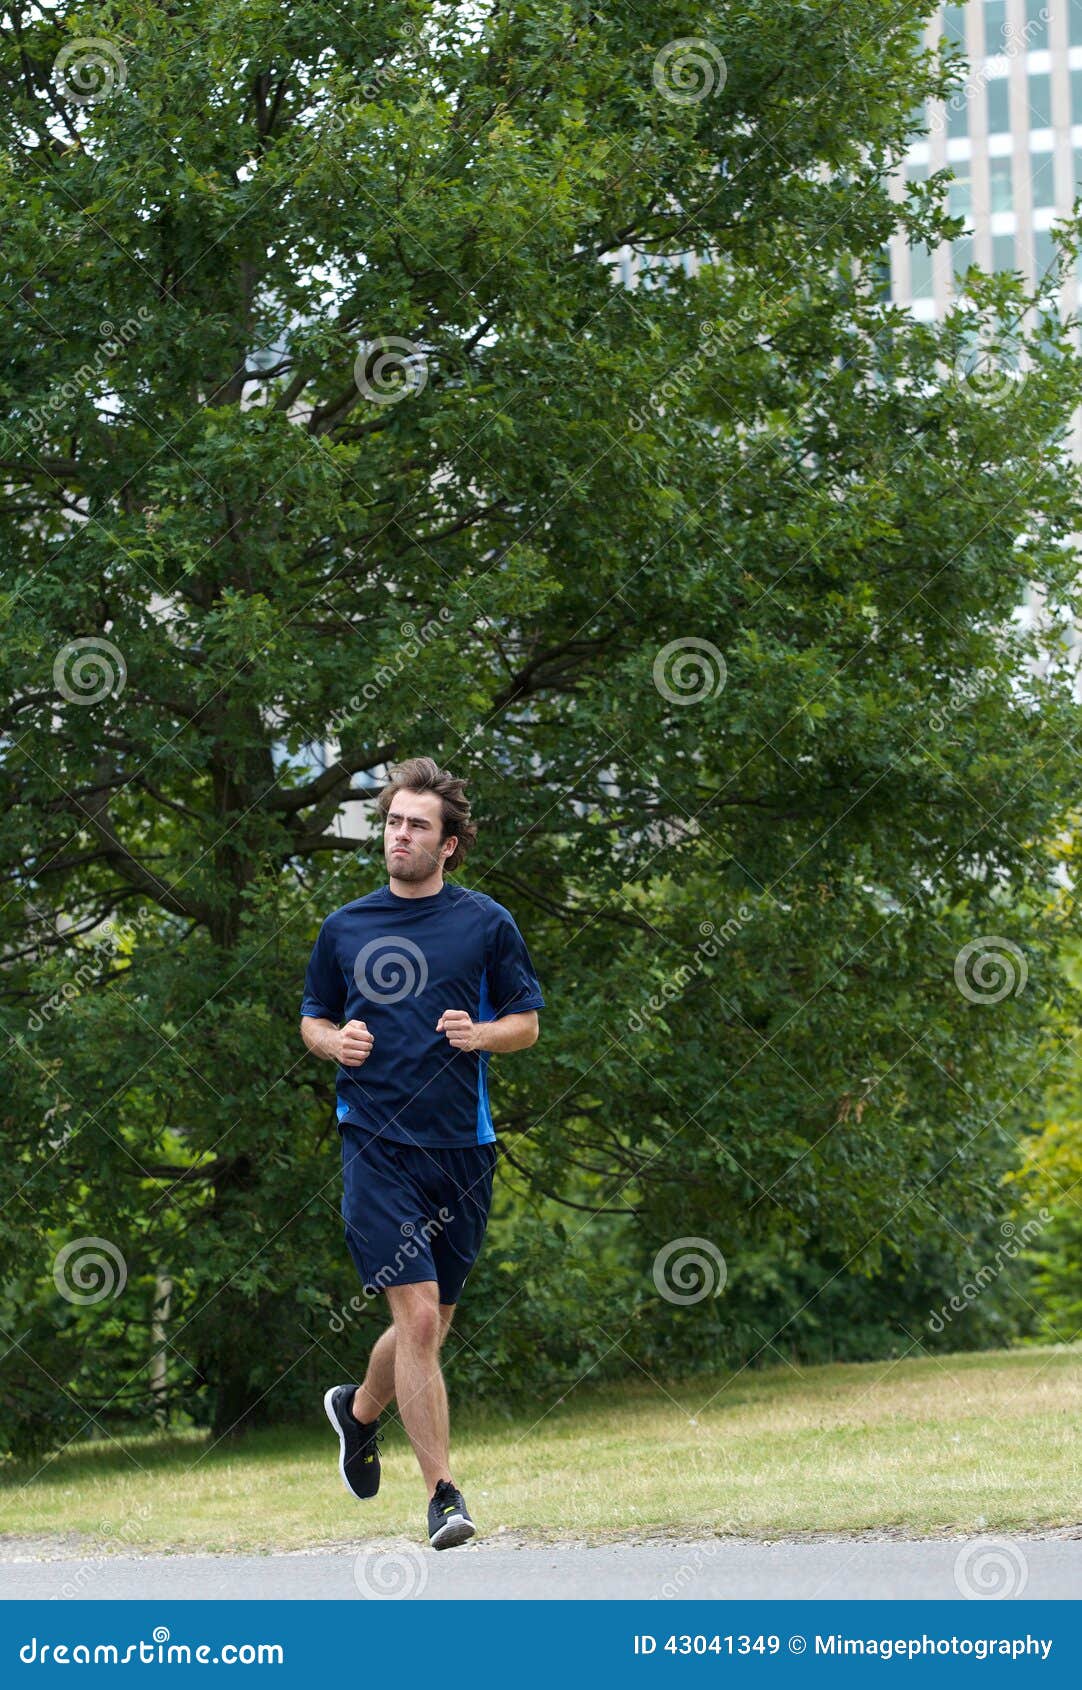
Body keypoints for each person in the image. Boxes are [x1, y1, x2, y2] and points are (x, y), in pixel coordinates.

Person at [299, 755, 544, 1549]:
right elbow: (312, 1018)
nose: (399, 836)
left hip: (463, 1147)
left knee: (430, 1327)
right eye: (394, 822)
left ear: (450, 845)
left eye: (417, 826)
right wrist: (335, 1042)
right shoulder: (345, 927)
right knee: (416, 1315)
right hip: (375, 1141)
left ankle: (359, 1409)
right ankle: (443, 1494)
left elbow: (526, 1023)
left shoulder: (486, 924)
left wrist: (482, 1035)